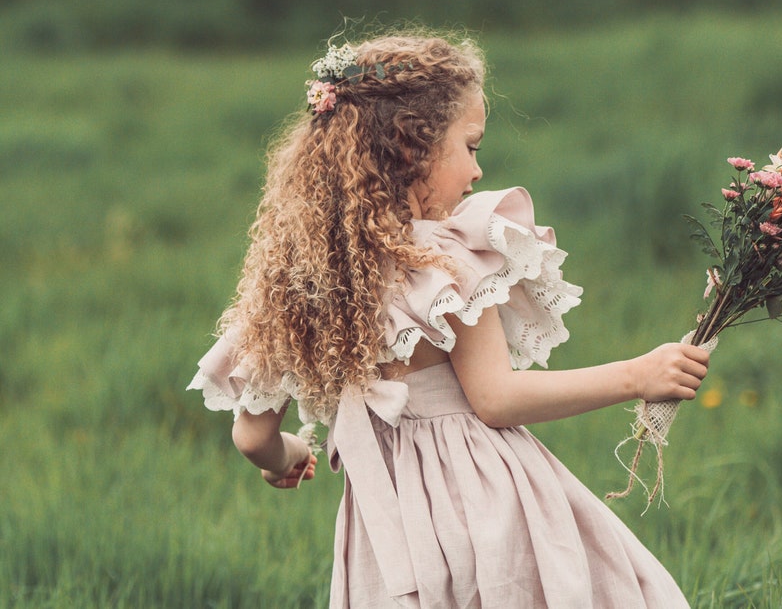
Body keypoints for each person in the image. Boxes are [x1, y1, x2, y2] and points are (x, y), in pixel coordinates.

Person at [188, 30, 710, 608]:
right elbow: (496, 397)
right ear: (412, 150)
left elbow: (252, 433)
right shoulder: (444, 259)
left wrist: (287, 458)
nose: (477, 173)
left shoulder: (295, 283)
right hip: (484, 504)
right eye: (470, 147)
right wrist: (638, 376)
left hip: (389, 540)